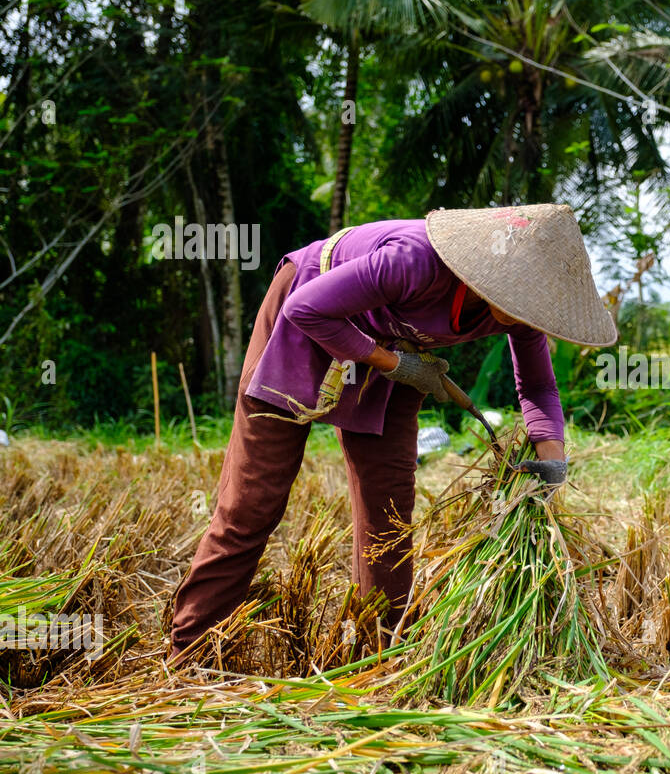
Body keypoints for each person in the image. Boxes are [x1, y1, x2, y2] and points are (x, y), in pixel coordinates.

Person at [168, 204, 617, 660]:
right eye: (520, 298)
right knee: (253, 503)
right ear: (494, 272)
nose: (525, 314)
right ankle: (190, 650)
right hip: (309, 316)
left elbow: (538, 387)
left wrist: (552, 460)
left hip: (397, 354)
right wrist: (392, 363)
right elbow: (305, 308)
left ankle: (380, 653)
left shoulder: (521, 312)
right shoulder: (416, 261)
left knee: (389, 514)